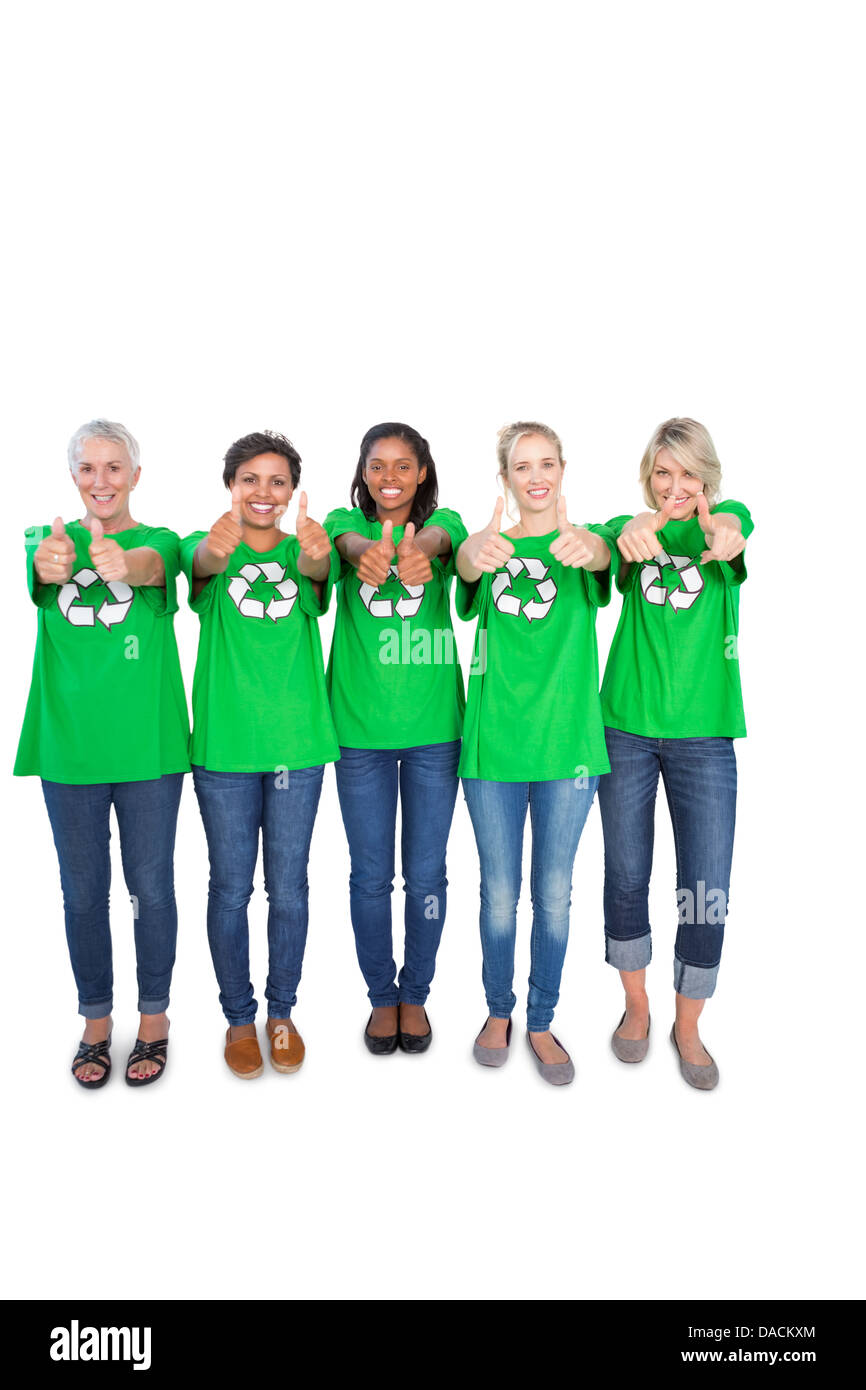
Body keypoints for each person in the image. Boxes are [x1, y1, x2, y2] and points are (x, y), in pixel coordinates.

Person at [15, 419, 189, 1088]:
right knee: (83, 892)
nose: (101, 480)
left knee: (150, 888)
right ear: (73, 478)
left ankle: (153, 1019)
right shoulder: (44, 539)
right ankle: (95, 1020)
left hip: (147, 748)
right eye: (88, 469)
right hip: (70, 749)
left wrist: (125, 562)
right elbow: (43, 568)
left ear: (135, 476)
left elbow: (152, 569)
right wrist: (55, 562)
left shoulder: (161, 544)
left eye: (114, 467)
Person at [456, 421, 615, 1086]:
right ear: (506, 478)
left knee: (553, 894)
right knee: (498, 895)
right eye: (522, 466)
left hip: (568, 749)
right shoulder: (488, 548)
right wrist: (470, 552)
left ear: (563, 467)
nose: (535, 475)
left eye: (546, 462)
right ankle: (499, 1011)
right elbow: (463, 572)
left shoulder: (586, 544)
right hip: (493, 747)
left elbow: (609, 558)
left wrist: (598, 548)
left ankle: (543, 1018)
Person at [598, 417, 753, 1090]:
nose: (676, 487)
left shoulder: (731, 519)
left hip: (705, 737)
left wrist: (722, 533)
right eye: (663, 473)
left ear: (708, 478)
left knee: (705, 887)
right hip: (625, 729)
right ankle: (636, 1006)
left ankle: (688, 1024)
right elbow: (617, 545)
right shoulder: (630, 530)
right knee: (627, 873)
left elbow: (733, 532)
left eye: (688, 473)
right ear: (647, 479)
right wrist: (636, 526)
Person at [181, 430, 339, 1080]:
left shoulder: (305, 553)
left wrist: (321, 553)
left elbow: (321, 576)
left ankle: (282, 1011)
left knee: (291, 888)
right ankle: (238, 1017)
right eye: (250, 479)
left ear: (291, 491)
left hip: (298, 746)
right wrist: (210, 554)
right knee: (229, 887)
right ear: (230, 486)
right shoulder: (208, 549)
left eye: (277, 481)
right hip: (224, 748)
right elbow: (199, 566)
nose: (264, 493)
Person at [324, 422, 467, 1055]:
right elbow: (344, 540)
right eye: (377, 466)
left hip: (435, 731)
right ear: (362, 473)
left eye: (403, 467)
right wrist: (365, 551)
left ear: (422, 475)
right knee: (370, 876)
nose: (390, 478)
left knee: (428, 875)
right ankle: (383, 996)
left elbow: (443, 538)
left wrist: (424, 548)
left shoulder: (451, 525)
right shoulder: (336, 524)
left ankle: (418, 994)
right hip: (359, 733)